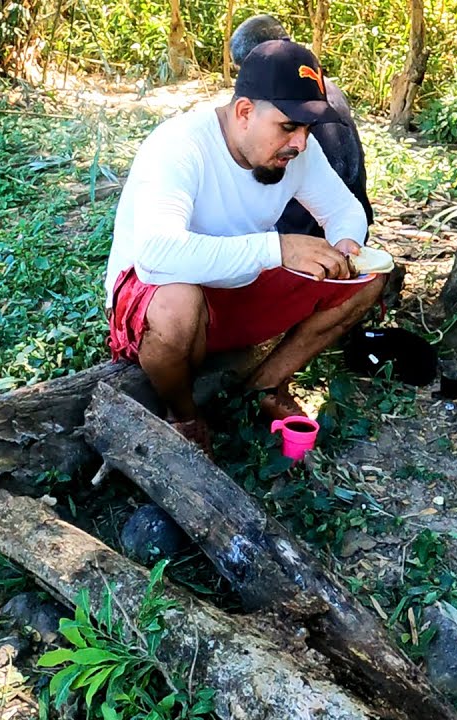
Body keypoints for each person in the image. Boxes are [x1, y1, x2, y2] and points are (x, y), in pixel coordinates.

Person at [105, 39, 385, 449]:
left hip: (240, 286)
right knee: (176, 304)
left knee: (368, 280)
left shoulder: (298, 152)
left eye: (307, 128)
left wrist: (345, 245)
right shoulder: (179, 146)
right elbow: (156, 254)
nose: (300, 143)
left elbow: (345, 209)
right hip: (161, 293)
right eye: (288, 126)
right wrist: (278, 249)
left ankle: (267, 386)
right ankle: (184, 416)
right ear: (244, 112)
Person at [229, 14, 375, 233]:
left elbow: (335, 198)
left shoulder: (290, 103)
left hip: (313, 227)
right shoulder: (322, 88)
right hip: (342, 218)